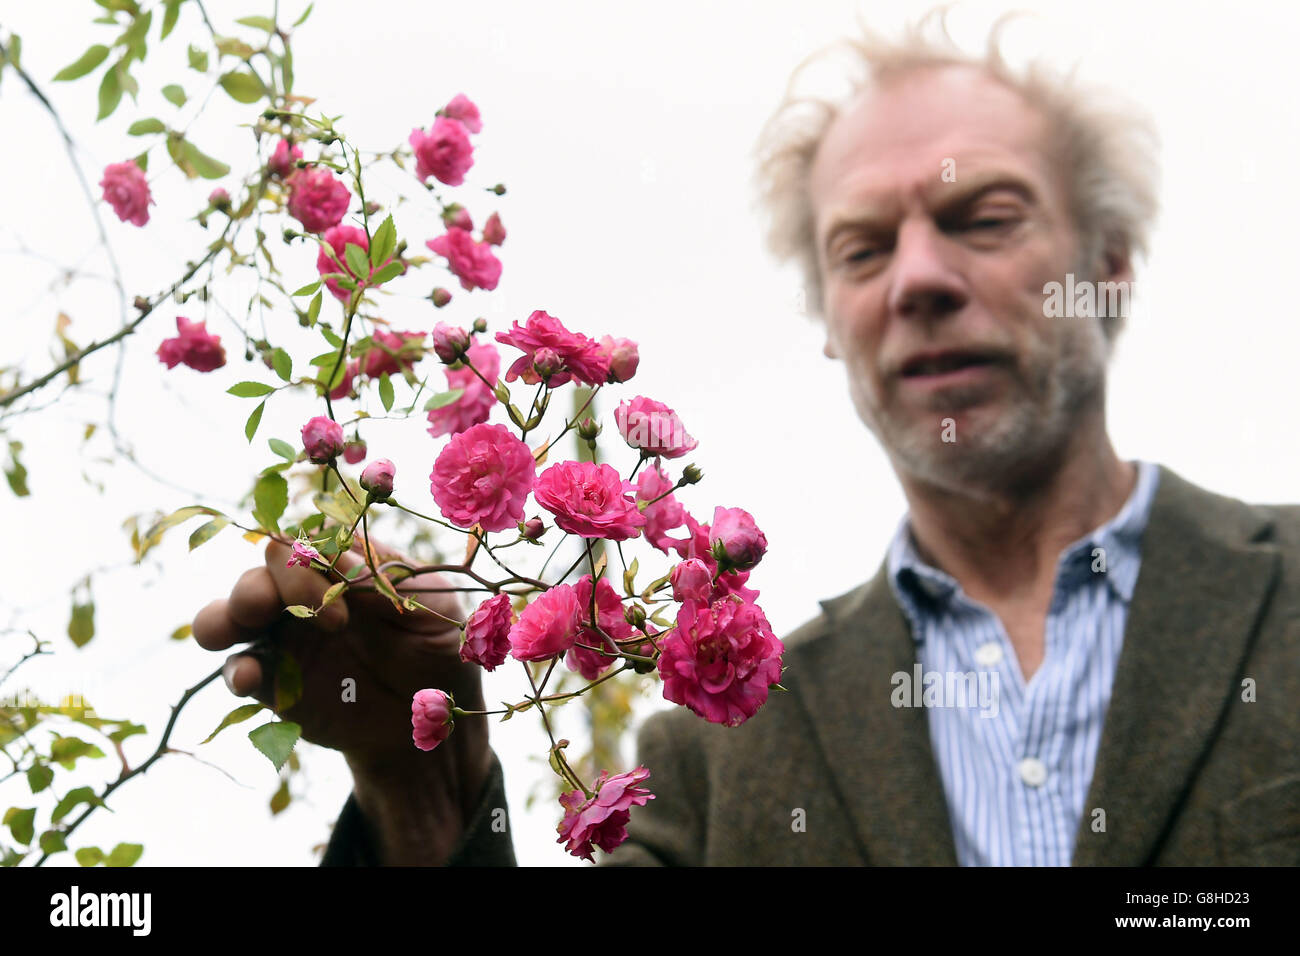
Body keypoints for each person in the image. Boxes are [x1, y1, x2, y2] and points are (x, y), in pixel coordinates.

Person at [191, 10, 1300, 866]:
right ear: (828, 320)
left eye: (983, 217)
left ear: (1105, 264)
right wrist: (424, 803)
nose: (916, 277)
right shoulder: (711, 761)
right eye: (861, 249)